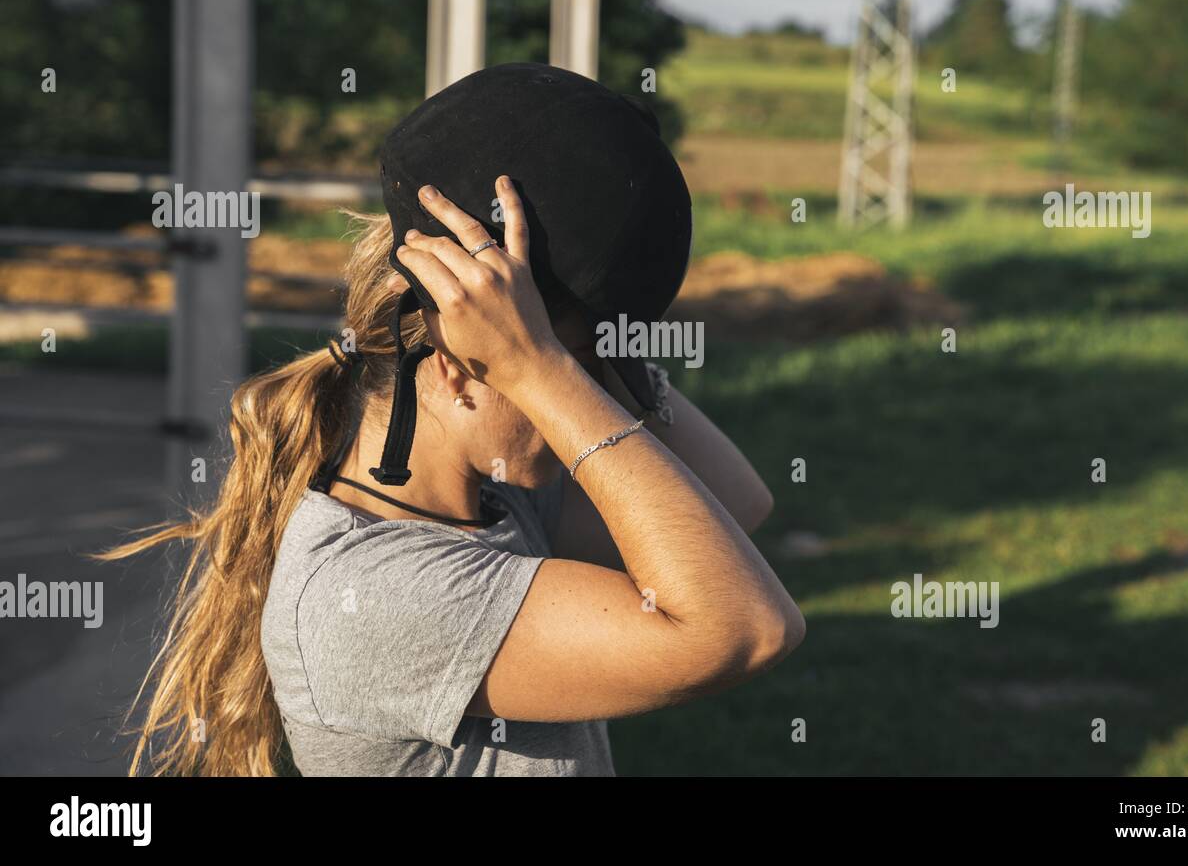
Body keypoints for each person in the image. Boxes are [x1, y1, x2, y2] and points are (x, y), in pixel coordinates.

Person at [105, 68, 804, 777]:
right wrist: (544, 369)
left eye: (600, 375)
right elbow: (746, 628)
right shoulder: (378, 594)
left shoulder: (494, 504)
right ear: (457, 361)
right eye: (575, 370)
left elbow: (736, 502)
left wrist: (592, 345)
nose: (595, 402)